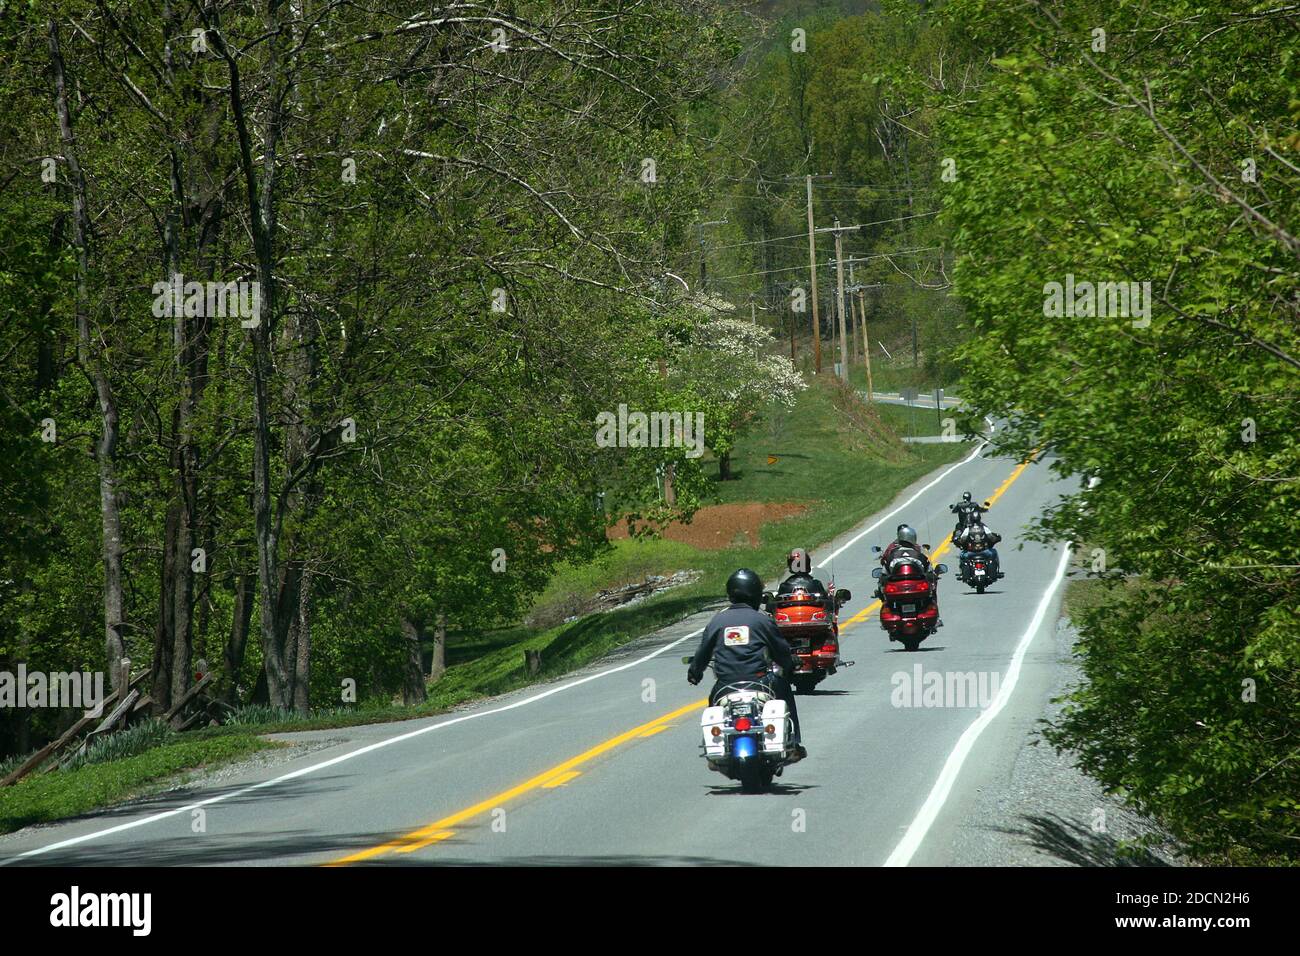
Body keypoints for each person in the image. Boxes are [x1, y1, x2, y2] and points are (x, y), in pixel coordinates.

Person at [688, 568, 806, 758]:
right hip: (760, 682)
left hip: (725, 685)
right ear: (756, 594)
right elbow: (781, 651)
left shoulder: (717, 621)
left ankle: (716, 751)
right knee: (783, 689)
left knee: (713, 702)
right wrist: (790, 665)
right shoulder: (762, 620)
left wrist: (695, 672)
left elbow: (702, 653)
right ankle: (794, 744)